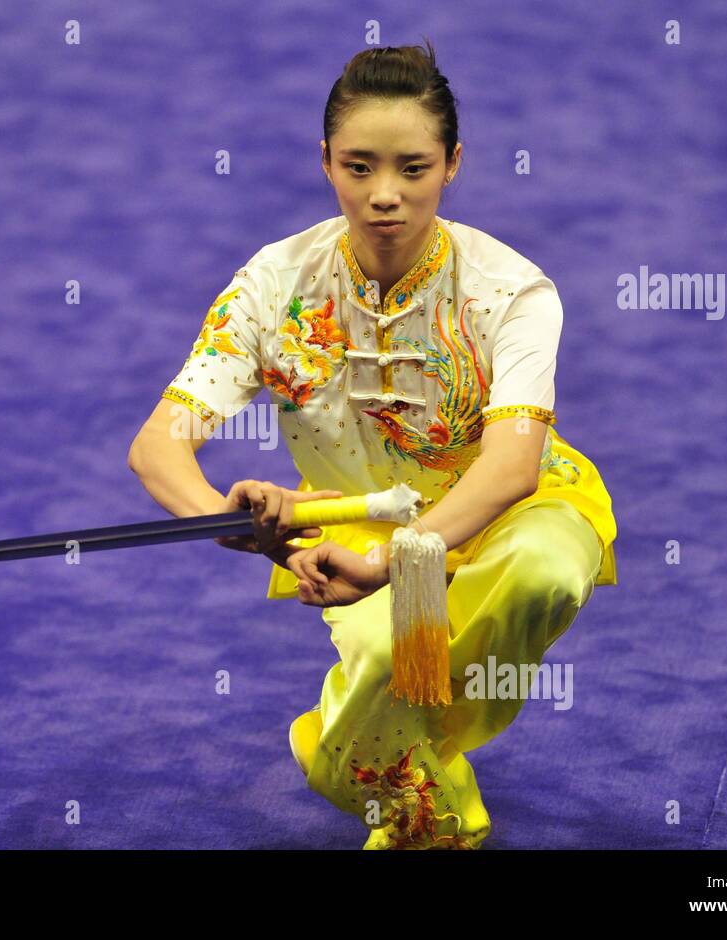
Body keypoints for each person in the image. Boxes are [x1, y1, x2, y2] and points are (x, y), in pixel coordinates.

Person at [127, 39, 617, 850]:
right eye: (359, 167)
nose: (384, 194)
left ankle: (383, 744)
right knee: (371, 717)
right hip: (353, 536)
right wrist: (233, 521)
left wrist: (397, 565)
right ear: (324, 161)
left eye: (413, 168)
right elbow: (158, 448)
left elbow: (512, 464)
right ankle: (426, 801)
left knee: (544, 574)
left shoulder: (513, 290)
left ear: (453, 163)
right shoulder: (272, 286)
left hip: (509, 515)